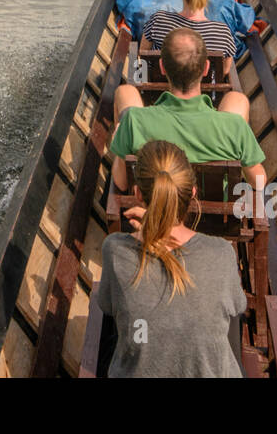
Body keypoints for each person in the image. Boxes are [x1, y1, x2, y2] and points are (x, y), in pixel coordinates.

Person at [94, 140, 248, 378]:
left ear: (137, 194)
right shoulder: (221, 252)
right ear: (193, 193)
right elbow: (237, 307)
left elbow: (107, 306)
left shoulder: (115, 250)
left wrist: (151, 227)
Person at [109, 26, 264, 192]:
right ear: (205, 68)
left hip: (152, 207)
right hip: (216, 213)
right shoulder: (235, 126)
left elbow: (121, 183)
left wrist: (117, 139)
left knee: (125, 92)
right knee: (237, 99)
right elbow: (259, 182)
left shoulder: (133, 120)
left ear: (162, 67)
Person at [142, 0, 236, 76]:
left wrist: (140, 84)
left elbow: (142, 56)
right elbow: (224, 71)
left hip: (157, 90)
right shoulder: (223, 33)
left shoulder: (157, 21)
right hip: (203, 92)